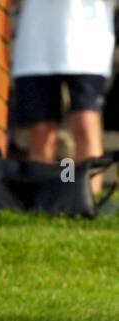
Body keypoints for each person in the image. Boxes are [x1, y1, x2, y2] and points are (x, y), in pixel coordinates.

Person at [12, 0, 117, 194]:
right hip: (37, 43)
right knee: (42, 130)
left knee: (84, 124)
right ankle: (44, 199)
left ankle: (87, 198)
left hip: (87, 45)